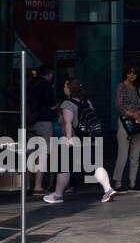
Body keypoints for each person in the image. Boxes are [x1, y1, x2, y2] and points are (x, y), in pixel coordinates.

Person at [43, 79, 116, 205]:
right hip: (90, 138)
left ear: (70, 89)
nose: (64, 88)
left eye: (65, 86)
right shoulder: (86, 102)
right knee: (96, 165)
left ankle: (57, 195)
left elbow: (68, 122)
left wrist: (69, 139)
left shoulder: (67, 103)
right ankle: (108, 189)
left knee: (63, 167)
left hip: (75, 140)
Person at [26, 64, 59, 194]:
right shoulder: (46, 85)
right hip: (43, 122)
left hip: (28, 122)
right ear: (49, 74)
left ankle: (27, 185)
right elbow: (51, 105)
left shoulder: (30, 84)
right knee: (43, 153)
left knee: (30, 153)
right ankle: (38, 186)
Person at [113, 64, 140, 191]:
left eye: (134, 73)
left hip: (137, 122)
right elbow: (119, 106)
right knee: (123, 153)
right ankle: (118, 182)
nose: (132, 75)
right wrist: (133, 115)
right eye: (129, 72)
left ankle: (133, 183)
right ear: (125, 73)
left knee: (135, 155)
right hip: (125, 121)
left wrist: (139, 114)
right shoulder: (121, 86)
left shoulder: (138, 88)